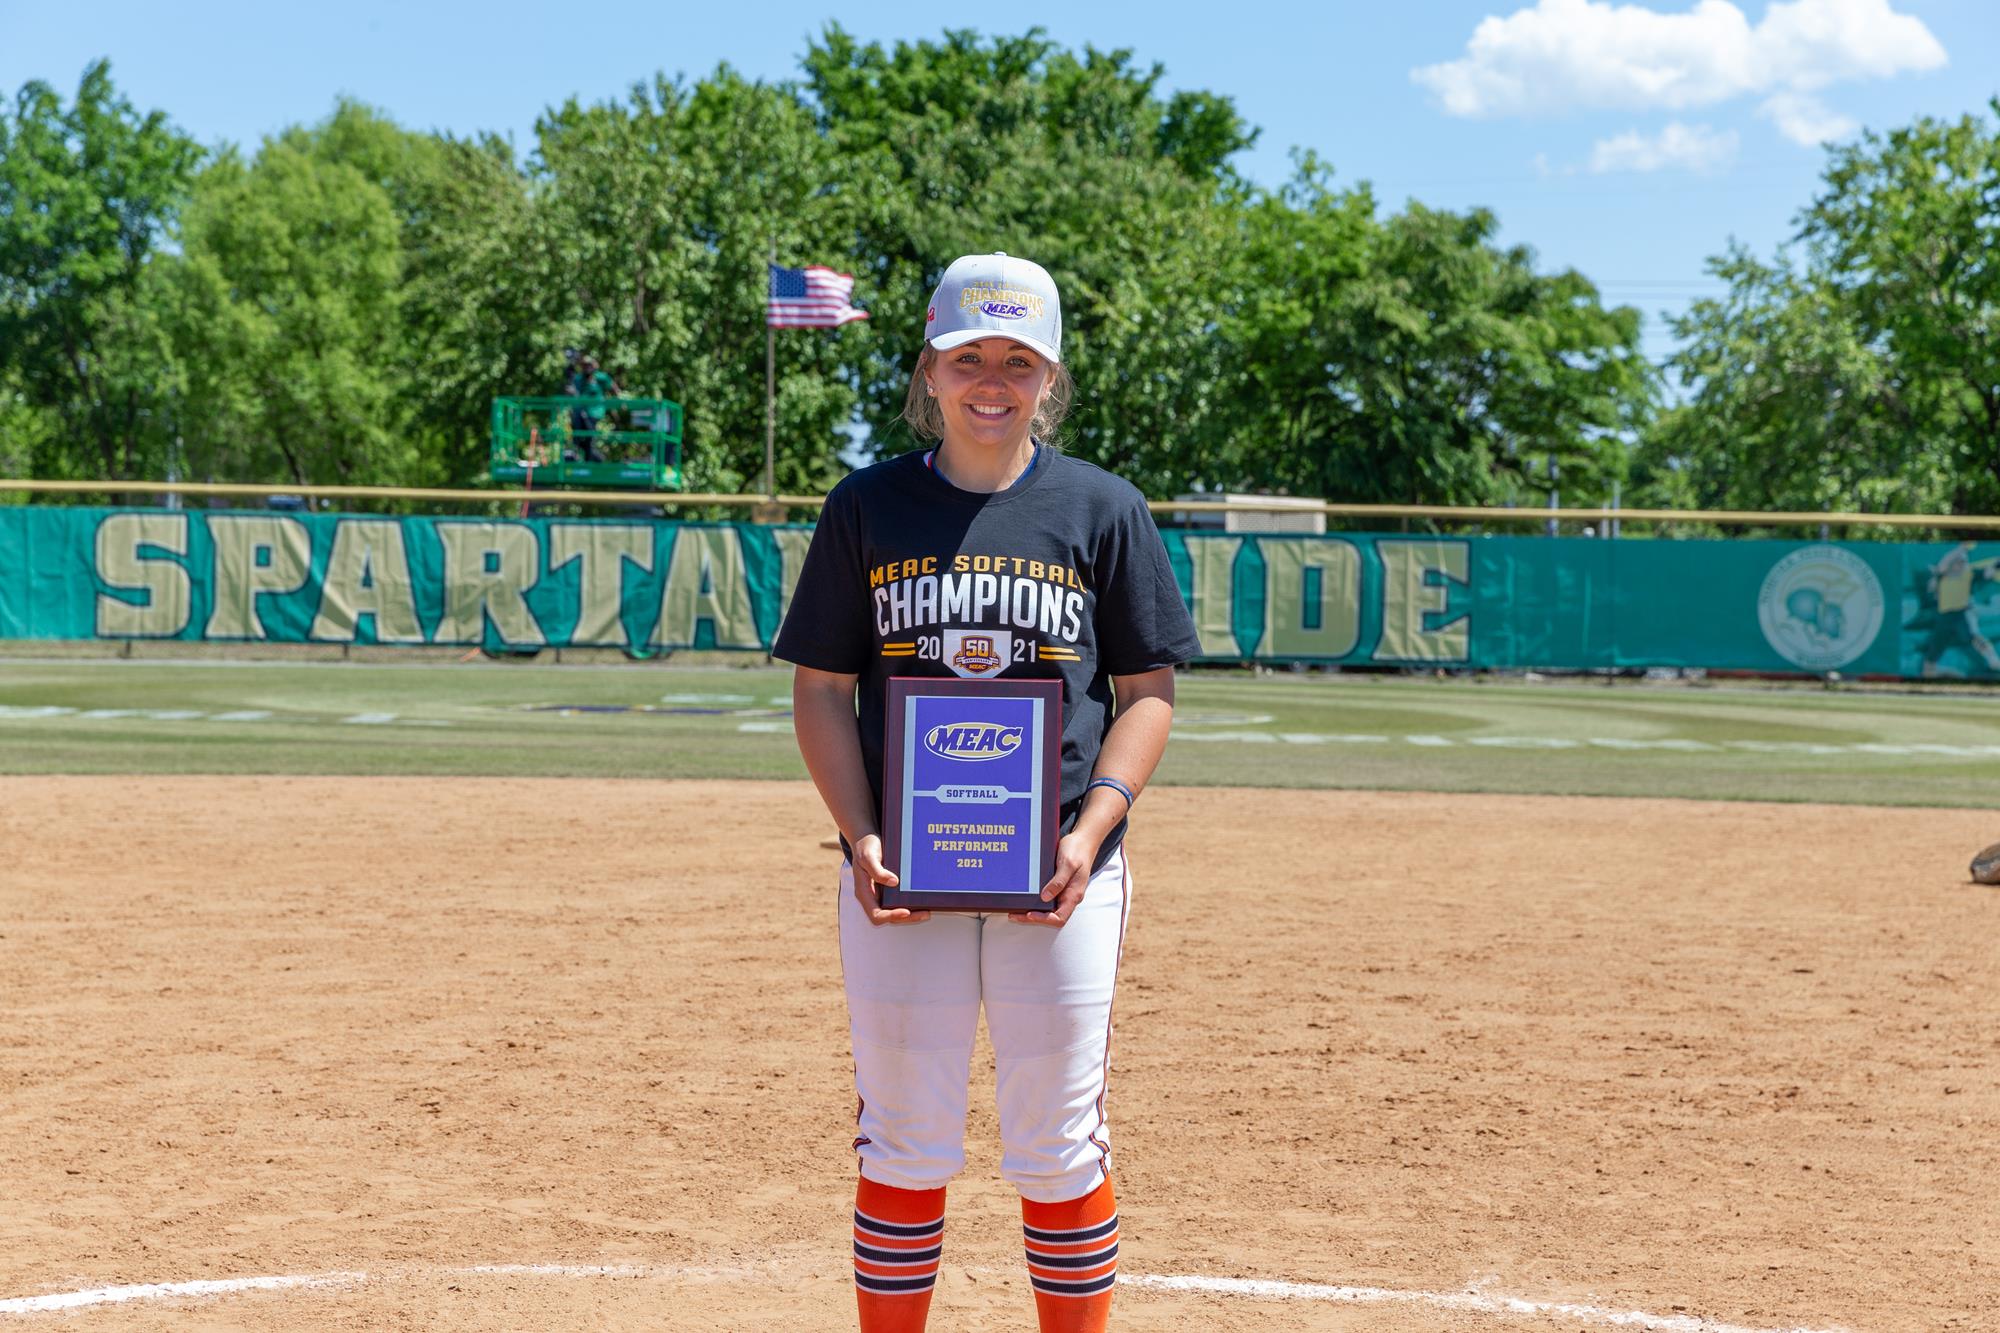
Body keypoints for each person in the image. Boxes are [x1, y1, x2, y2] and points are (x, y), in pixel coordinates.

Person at [773, 252, 1200, 1333]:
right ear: (929, 368)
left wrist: (1091, 829)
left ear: (1048, 377)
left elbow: (1145, 694)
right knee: (904, 1135)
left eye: (1018, 359)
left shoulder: (1100, 508)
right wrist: (861, 835)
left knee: (1057, 1143)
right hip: (900, 872)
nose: (992, 381)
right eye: (969, 358)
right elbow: (821, 691)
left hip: (1061, 868)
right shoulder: (866, 505)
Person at [565, 352, 621, 462]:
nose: (587, 368)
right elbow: (571, 391)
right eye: (584, 365)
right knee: (578, 433)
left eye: (589, 365)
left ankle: (590, 456)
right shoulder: (578, 379)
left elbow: (614, 389)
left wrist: (617, 400)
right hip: (579, 412)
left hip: (594, 412)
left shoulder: (600, 377)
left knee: (589, 435)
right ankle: (579, 452)